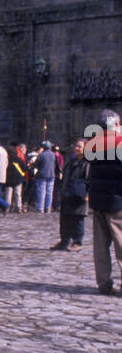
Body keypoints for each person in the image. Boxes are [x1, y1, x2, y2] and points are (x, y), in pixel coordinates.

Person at [86, 109, 122, 295]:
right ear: (116, 124)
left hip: (98, 201)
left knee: (101, 245)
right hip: (117, 201)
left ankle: (104, 283)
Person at [52, 138, 89, 253]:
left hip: (79, 195)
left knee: (77, 219)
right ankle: (64, 240)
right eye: (75, 146)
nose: (76, 148)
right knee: (65, 218)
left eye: (79, 146)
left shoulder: (87, 163)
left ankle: (77, 242)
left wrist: (88, 194)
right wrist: (61, 192)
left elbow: (90, 179)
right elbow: (65, 178)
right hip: (67, 193)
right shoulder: (71, 161)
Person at [4, 141, 27, 214]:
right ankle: (18, 207)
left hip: (8, 178)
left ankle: (7, 207)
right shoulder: (18, 159)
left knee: (8, 194)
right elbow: (25, 168)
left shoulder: (6, 160)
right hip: (17, 179)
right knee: (17, 194)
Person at [33, 141, 57, 214]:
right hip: (51, 175)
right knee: (49, 192)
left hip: (42, 175)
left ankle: (40, 207)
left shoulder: (41, 155)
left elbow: (36, 165)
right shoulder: (54, 155)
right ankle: (48, 208)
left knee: (41, 192)